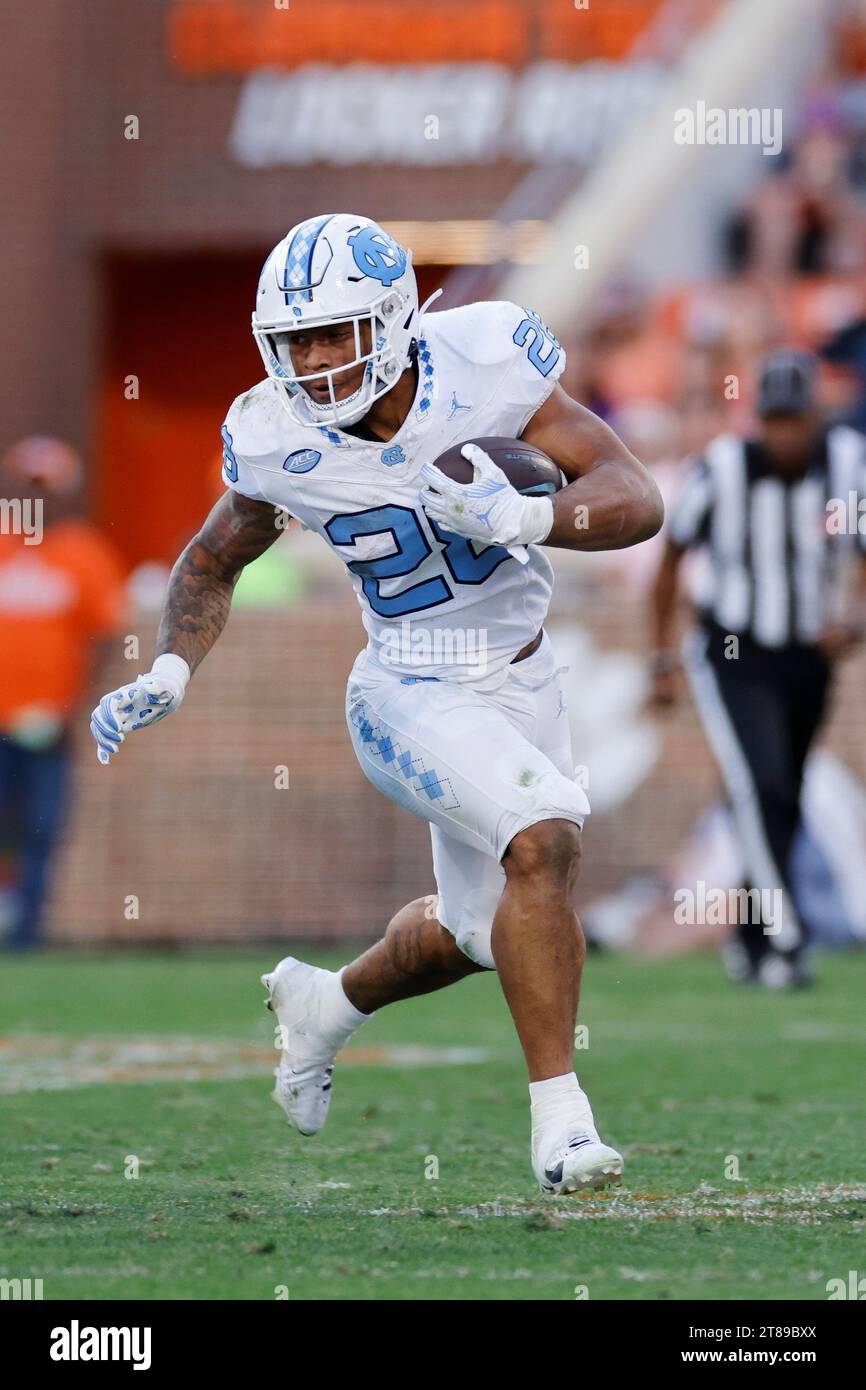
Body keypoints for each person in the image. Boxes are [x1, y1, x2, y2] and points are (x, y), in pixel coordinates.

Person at [90, 215, 662, 1194]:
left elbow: (635, 495)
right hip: (406, 685)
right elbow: (214, 558)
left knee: (478, 931)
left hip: (525, 675)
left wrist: (534, 515)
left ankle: (325, 1006)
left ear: (394, 319)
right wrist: (170, 671)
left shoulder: (485, 361)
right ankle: (562, 1128)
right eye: (295, 341)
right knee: (543, 834)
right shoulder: (274, 437)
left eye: (332, 333)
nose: (313, 361)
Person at [649, 349, 866, 987]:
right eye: (775, 421)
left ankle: (749, 941)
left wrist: (853, 619)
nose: (785, 435)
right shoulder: (721, 468)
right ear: (759, 420)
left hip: (809, 654)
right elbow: (671, 558)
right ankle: (786, 938)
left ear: (815, 418)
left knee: (785, 794)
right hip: (734, 651)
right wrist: (662, 657)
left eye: (796, 420)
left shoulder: (849, 463)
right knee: (760, 784)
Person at [0, 437, 125, 948]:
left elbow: (104, 636)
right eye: (27, 487)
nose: (36, 498)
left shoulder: (83, 553)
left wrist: (76, 707)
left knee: (41, 826)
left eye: (44, 488)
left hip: (49, 722)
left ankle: (27, 931)